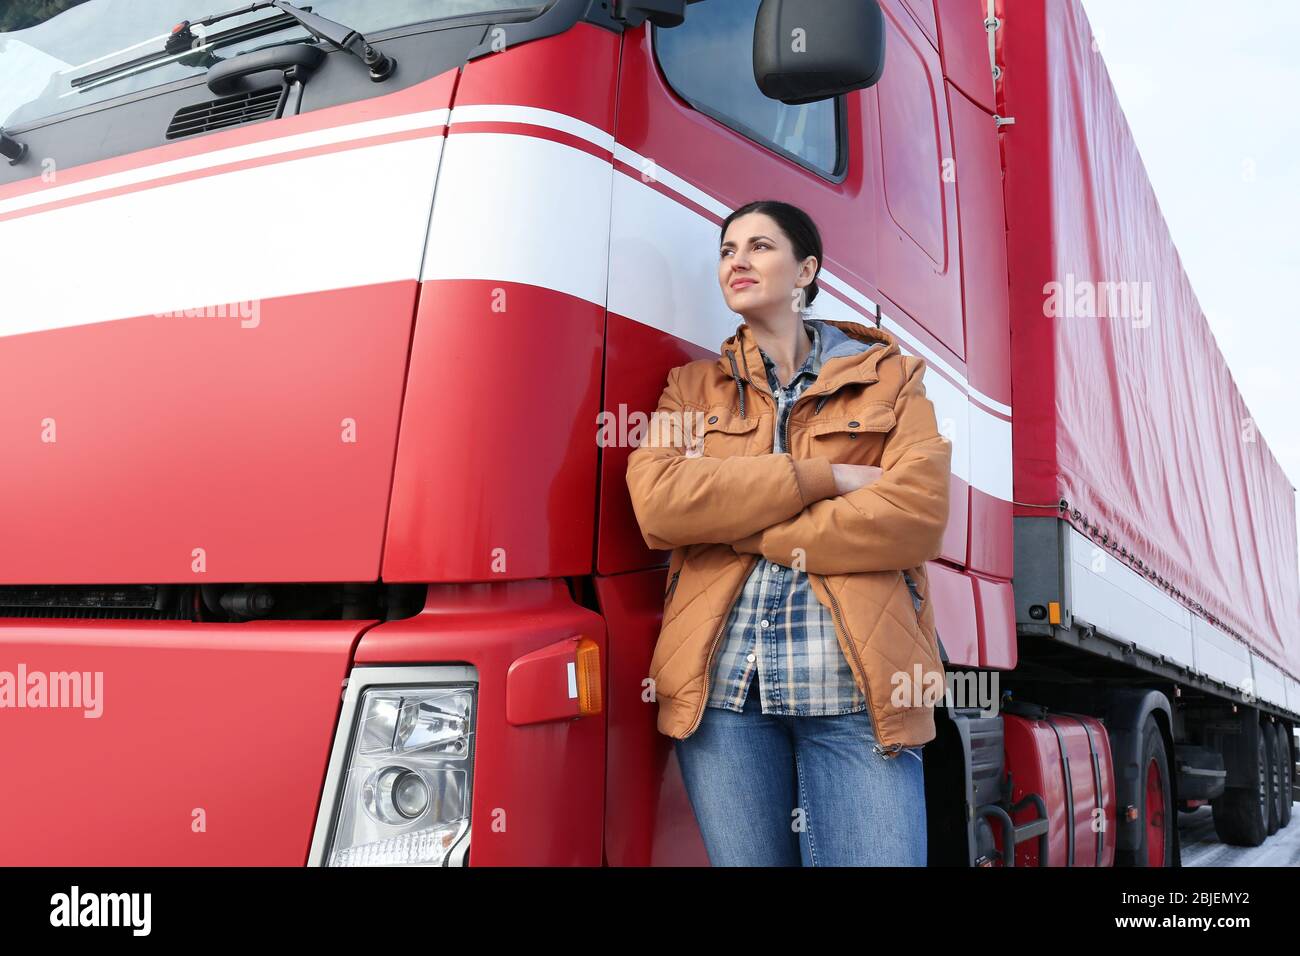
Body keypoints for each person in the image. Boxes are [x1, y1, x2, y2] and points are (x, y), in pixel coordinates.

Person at [626, 199, 952, 866]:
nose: (737, 260)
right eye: (727, 250)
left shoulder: (890, 381)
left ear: (806, 270)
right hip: (724, 698)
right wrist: (822, 476)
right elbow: (658, 505)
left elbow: (914, 515)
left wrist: (745, 530)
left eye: (759, 246)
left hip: (855, 693)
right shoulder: (690, 389)